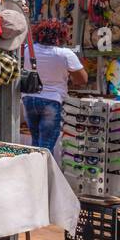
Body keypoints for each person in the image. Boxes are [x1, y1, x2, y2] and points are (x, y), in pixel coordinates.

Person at [22, 19, 87, 151]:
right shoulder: (65, 54)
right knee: (46, 145)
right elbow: (82, 79)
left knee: (35, 142)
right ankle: (43, 171)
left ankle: (34, 169)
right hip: (52, 100)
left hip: (29, 99)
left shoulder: (28, 50)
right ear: (61, 35)